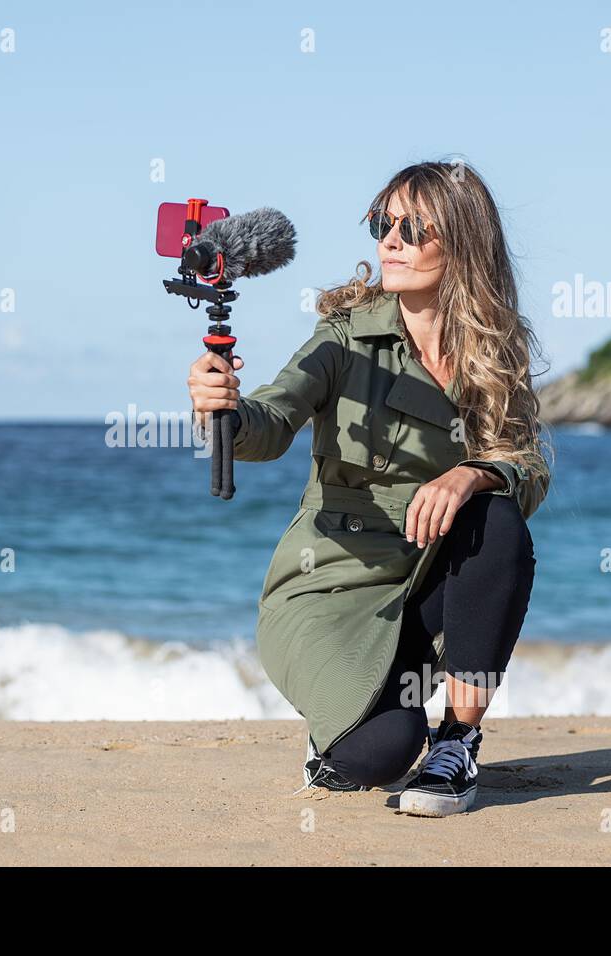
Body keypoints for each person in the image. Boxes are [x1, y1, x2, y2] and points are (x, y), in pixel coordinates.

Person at [187, 161, 551, 816]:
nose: (389, 240)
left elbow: (526, 467)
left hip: (421, 595)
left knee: (496, 516)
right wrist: (224, 411)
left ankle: (458, 743)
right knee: (377, 756)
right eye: (382, 224)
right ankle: (353, 721)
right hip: (324, 594)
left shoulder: (496, 351)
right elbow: (268, 425)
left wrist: (474, 471)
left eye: (412, 228)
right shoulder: (342, 340)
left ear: (464, 241)